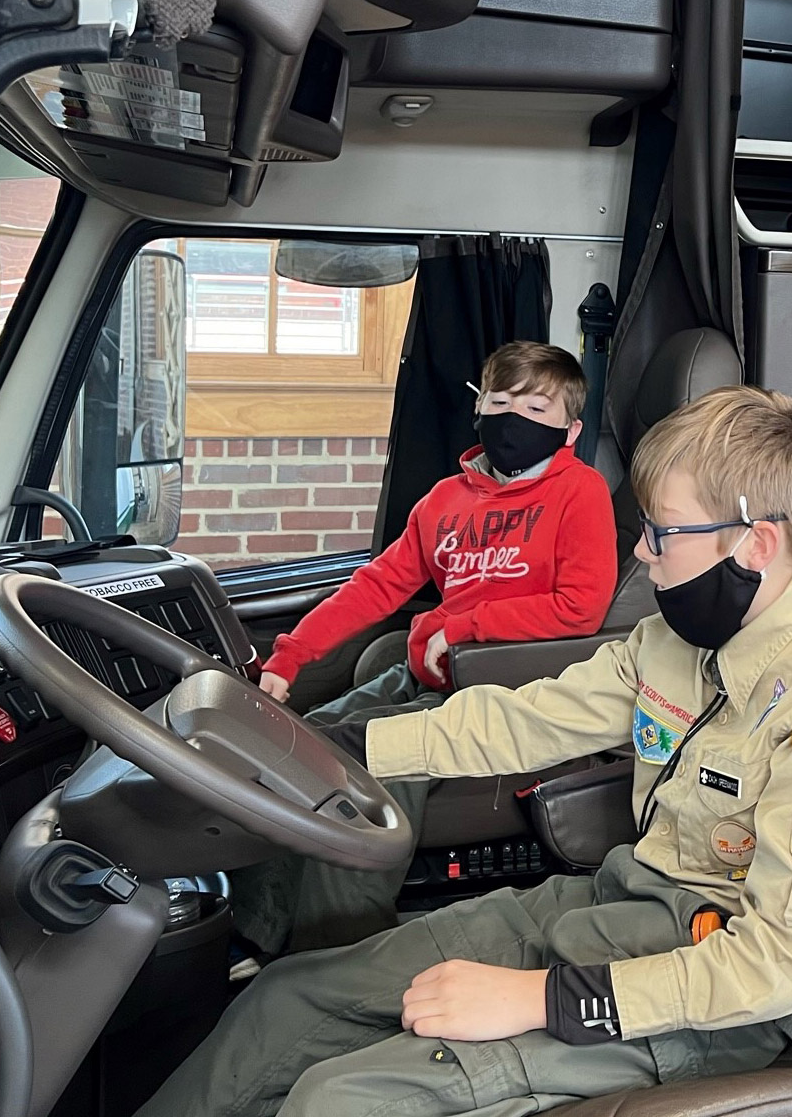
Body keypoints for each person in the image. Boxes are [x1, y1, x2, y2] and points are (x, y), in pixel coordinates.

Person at [142, 384, 792, 1117]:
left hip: (705, 995)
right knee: (287, 999)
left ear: (755, 545)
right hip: (611, 905)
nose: (644, 555)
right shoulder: (676, 643)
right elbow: (525, 720)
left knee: (343, 1097)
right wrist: (330, 745)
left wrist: (541, 1000)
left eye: (662, 532)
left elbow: (778, 968)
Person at [230, 341, 618, 956]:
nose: (515, 417)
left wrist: (467, 627)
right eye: (501, 401)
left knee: (351, 770)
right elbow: (376, 587)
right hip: (429, 675)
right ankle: (257, 935)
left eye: (537, 408)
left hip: (501, 684)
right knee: (291, 744)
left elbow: (580, 608)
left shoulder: (582, 492)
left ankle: (336, 948)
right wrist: (291, 656)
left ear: (569, 431)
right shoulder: (445, 500)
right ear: (479, 410)